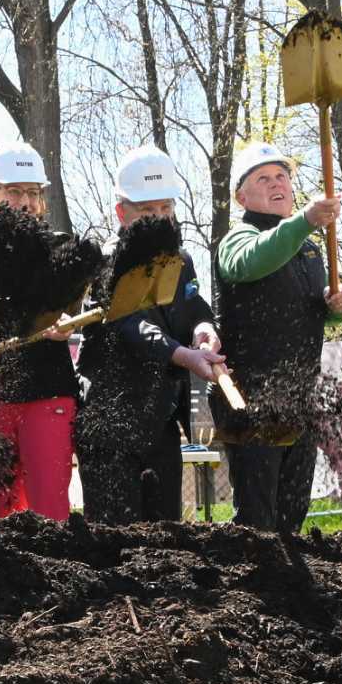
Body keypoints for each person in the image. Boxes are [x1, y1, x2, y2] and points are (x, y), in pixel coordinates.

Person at [75, 146, 220, 523]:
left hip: (161, 418)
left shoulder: (181, 260)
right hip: (110, 420)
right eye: (146, 211)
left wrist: (204, 329)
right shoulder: (104, 261)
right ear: (122, 213)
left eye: (165, 210)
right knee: (113, 536)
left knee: (166, 535)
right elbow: (130, 324)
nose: (159, 220)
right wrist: (183, 356)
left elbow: (192, 306)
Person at [214, 141, 342, 533]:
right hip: (252, 398)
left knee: (293, 510)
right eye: (263, 178)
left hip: (299, 397)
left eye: (282, 177)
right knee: (258, 517)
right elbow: (255, 260)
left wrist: (336, 307)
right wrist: (305, 220)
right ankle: (254, 590)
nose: (277, 185)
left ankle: (289, 589)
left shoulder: (308, 249)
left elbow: (313, 314)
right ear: (242, 196)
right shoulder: (237, 240)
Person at [0, 142, 77, 521]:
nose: (25, 201)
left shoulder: (61, 248)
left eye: (33, 193)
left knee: (50, 506)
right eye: (14, 192)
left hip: (50, 389)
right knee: (6, 508)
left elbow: (76, 307)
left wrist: (66, 323)